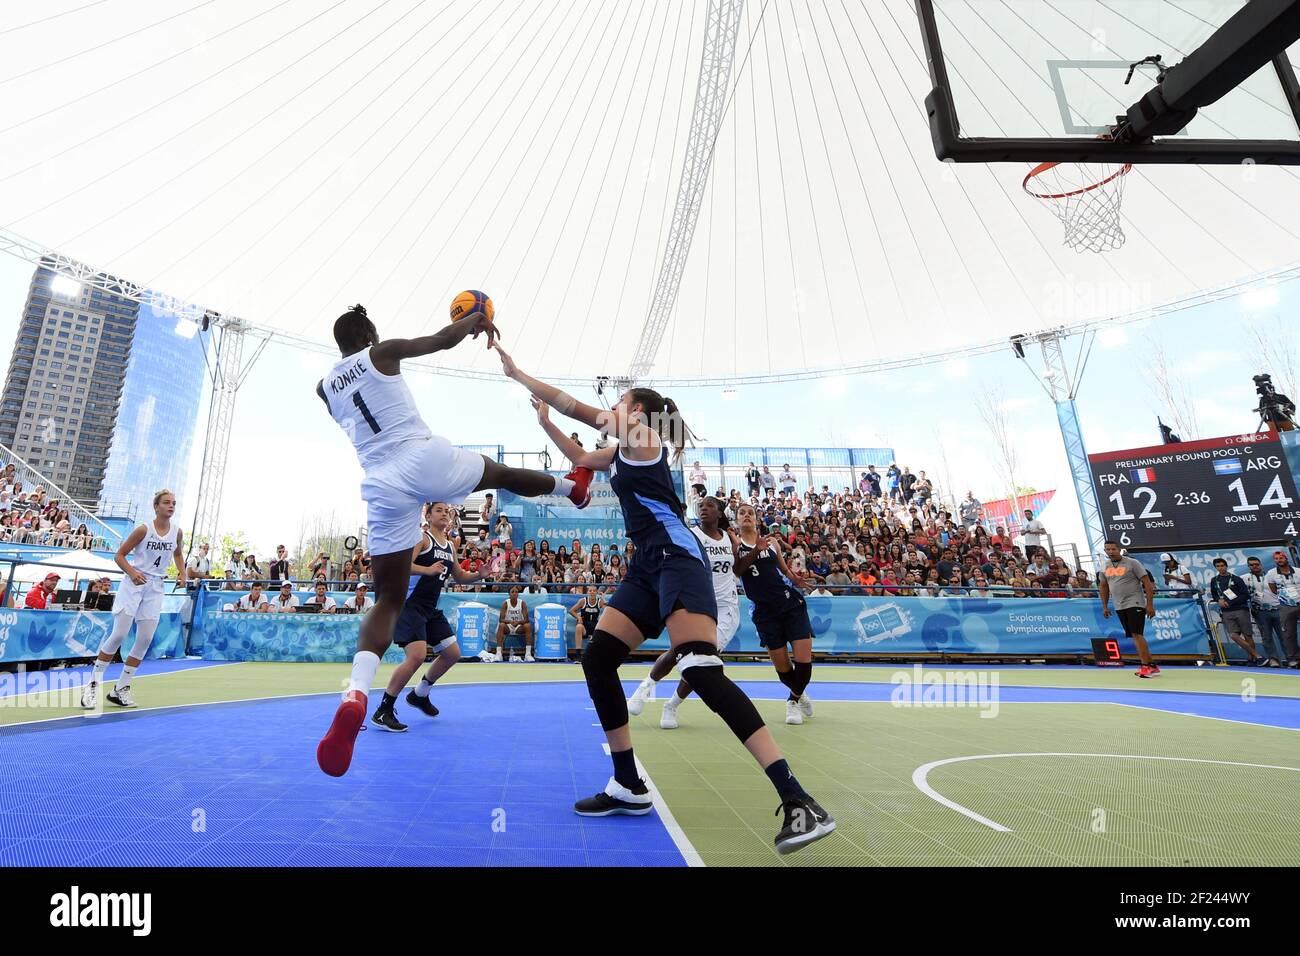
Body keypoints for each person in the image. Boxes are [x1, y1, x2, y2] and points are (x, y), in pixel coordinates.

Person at [496, 343, 835, 853]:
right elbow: (580, 458)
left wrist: (520, 374)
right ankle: (628, 784)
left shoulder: (644, 437)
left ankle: (799, 800)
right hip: (646, 567)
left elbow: (578, 408)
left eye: (620, 401)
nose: (613, 406)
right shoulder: (620, 454)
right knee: (598, 658)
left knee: (702, 672)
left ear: (636, 410)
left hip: (677, 559)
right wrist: (544, 422)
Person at [313, 303, 595, 777]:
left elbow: (348, 391)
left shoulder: (323, 387)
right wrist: (475, 318)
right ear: (368, 336)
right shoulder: (382, 352)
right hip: (420, 457)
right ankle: (574, 489)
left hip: (380, 479)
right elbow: (442, 340)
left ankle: (356, 692)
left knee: (387, 599)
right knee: (499, 474)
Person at [627, 496, 741, 730]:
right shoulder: (691, 535)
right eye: (701, 506)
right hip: (699, 600)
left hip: (726, 609)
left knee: (701, 660)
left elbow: (735, 570)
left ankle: (672, 705)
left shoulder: (729, 538)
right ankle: (646, 687)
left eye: (709, 506)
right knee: (680, 650)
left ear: (720, 512)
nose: (704, 509)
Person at [370, 503, 487, 731]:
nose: (444, 513)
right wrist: (427, 569)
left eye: (446, 511)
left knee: (452, 654)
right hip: (408, 604)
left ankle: (419, 694)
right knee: (416, 656)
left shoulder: (450, 545)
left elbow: (459, 576)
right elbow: (402, 566)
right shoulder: (421, 539)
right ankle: (383, 710)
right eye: (439, 510)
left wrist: (479, 575)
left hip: (429, 608)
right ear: (428, 516)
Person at [81, 490, 186, 709]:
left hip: (155, 587)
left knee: (145, 639)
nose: (171, 506)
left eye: (174, 503)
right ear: (156, 506)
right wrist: (132, 572)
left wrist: (182, 573)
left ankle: (121, 688)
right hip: (133, 584)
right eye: (166, 502)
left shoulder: (177, 532)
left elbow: (177, 554)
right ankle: (92, 685)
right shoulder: (143, 529)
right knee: (119, 634)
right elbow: (119, 555)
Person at [733, 504, 817, 723]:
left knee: (804, 662)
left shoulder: (772, 542)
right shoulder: (735, 544)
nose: (747, 516)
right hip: (764, 612)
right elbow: (737, 571)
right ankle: (800, 694)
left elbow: (784, 569)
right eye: (742, 513)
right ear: (736, 519)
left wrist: (796, 579)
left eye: (751, 513)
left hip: (790, 605)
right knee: (783, 668)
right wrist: (755, 550)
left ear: (757, 519)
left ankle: (792, 701)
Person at [1098, 540, 1159, 678]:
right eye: (1107, 549)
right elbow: (1103, 586)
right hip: (1119, 605)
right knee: (1133, 634)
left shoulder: (1132, 563)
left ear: (1119, 549)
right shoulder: (1104, 566)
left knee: (1137, 634)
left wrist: (1149, 604)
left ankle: (1145, 666)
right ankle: (1152, 666)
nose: (1110, 552)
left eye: (1113, 549)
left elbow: (1147, 583)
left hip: (1135, 602)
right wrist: (1105, 606)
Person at [1208, 558, 1261, 664]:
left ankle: (1252, 659)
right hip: (1226, 611)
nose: (1220, 568)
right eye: (1218, 566)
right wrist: (1219, 600)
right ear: (1215, 568)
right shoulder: (1214, 580)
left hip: (1241, 609)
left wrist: (1230, 602)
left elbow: (1245, 595)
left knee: (1247, 635)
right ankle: (1257, 655)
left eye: (1222, 565)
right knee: (1233, 635)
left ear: (1226, 566)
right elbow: (1214, 594)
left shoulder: (1236, 579)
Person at [1243, 555, 1284, 667]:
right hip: (1260, 612)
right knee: (1266, 637)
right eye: (1251, 565)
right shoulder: (1244, 578)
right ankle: (1273, 659)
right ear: (1248, 566)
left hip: (1277, 609)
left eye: (1256, 564)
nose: (1254, 566)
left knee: (1284, 636)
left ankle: (1292, 659)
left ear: (1261, 565)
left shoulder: (1271, 575)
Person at [1264, 550, 1300, 668]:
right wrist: (1286, 598)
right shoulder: (1271, 573)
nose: (1279, 560)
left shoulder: (1298, 571)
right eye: (1276, 559)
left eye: (1281, 558)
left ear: (1286, 558)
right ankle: (1294, 658)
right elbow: (1273, 589)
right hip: (1286, 606)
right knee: (1289, 633)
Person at [480, 586, 533, 662]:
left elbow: (526, 620)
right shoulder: (506, 603)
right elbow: (501, 619)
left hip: (519, 626)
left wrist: (518, 622)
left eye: (516, 592)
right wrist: (510, 622)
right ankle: (499, 654)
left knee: (527, 626)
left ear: (518, 594)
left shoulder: (522, 603)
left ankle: (528, 654)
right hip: (508, 626)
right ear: (509, 594)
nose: (514, 593)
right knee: (501, 625)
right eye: (512, 592)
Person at [569, 585, 604, 661]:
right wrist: (578, 617)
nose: (592, 592)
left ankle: (600, 655)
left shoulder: (600, 601)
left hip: (595, 626)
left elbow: (608, 609)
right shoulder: (583, 601)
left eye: (594, 591)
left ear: (596, 592)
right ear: (587, 592)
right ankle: (578, 654)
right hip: (585, 626)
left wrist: (603, 599)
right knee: (578, 627)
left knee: (604, 629)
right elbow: (571, 611)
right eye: (590, 591)